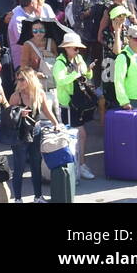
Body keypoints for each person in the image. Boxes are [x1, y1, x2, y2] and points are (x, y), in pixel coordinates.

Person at [9, 66, 61, 203]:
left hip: (35, 131)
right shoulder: (16, 96)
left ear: (30, 80)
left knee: (36, 165)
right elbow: (8, 117)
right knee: (19, 167)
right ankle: (18, 199)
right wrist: (19, 113)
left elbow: (47, 111)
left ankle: (38, 196)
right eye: (17, 79)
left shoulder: (39, 94)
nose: (18, 82)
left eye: (22, 79)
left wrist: (56, 123)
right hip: (20, 134)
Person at [52, 32, 95, 180]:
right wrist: (76, 74)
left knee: (80, 136)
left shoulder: (78, 58)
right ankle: (75, 168)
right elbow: (61, 80)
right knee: (75, 137)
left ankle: (78, 166)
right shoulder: (59, 63)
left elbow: (86, 76)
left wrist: (88, 71)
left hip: (78, 103)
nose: (77, 50)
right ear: (67, 48)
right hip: (67, 106)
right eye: (74, 48)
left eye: (78, 48)